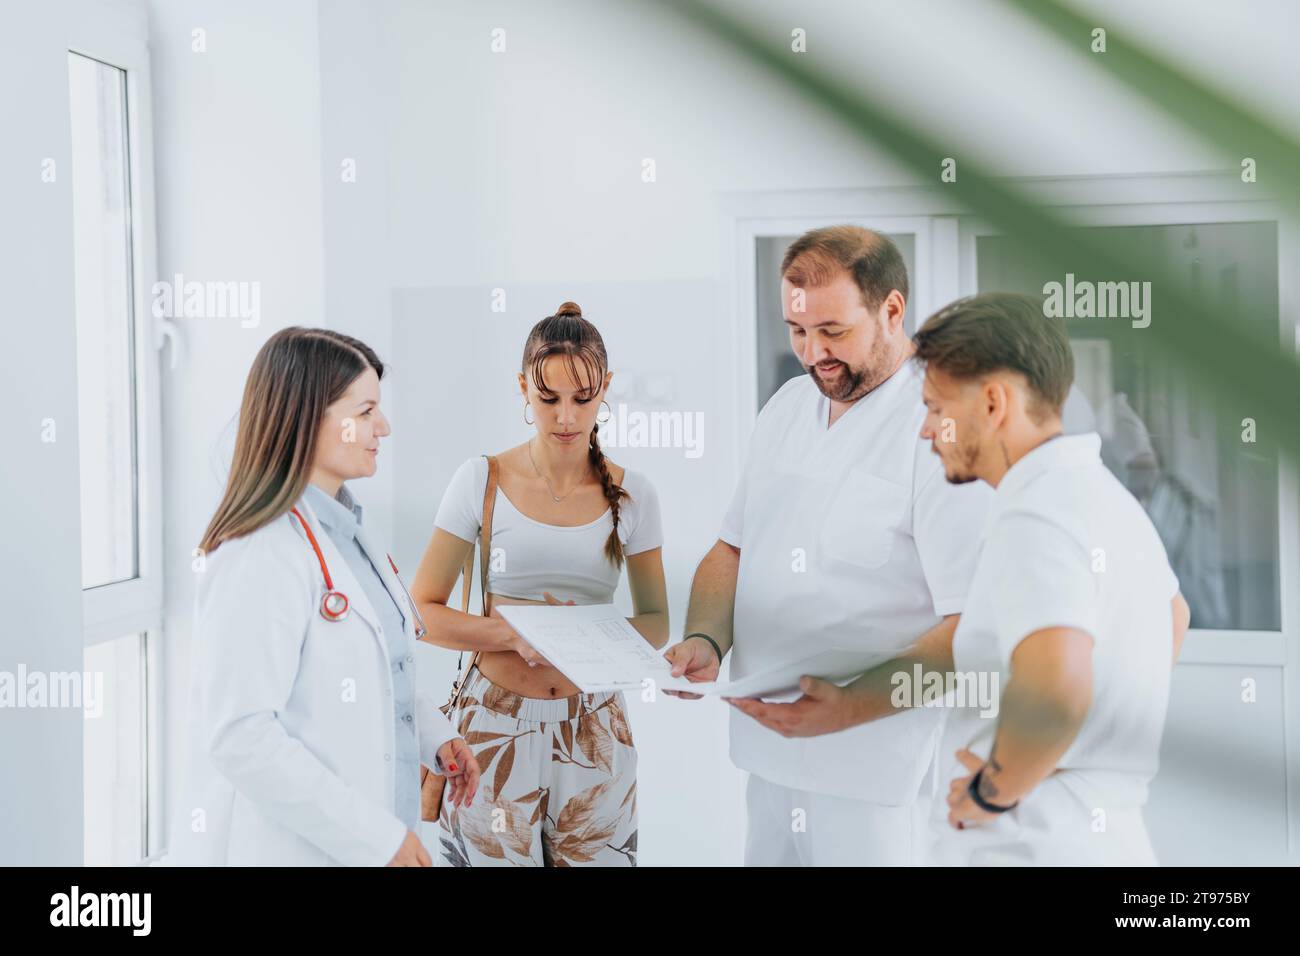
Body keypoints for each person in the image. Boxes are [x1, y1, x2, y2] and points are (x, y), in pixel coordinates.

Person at [665, 226, 992, 866]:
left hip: (876, 774)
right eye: (797, 330)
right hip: (771, 756)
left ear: (892, 311)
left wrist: (848, 707)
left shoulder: (939, 429)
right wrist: (705, 638)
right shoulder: (788, 406)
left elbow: (974, 628)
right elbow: (731, 549)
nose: (813, 353)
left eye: (833, 331)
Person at [170, 327, 479, 867]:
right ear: (310, 416)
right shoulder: (260, 550)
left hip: (375, 834)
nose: (382, 427)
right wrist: (376, 839)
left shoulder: (351, 533)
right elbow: (241, 736)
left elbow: (375, 672)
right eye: (364, 412)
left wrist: (435, 736)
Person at [910, 292, 1188, 864]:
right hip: (1097, 833)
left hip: (1031, 841)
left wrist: (993, 793)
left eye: (937, 409)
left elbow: (1057, 688)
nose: (926, 430)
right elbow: (1173, 617)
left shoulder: (1035, 511)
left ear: (992, 403)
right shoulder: (1102, 495)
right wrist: (1090, 735)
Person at [410, 302, 668, 867]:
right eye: (547, 398)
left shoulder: (633, 495)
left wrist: (582, 634)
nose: (566, 417)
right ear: (522, 388)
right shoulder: (481, 479)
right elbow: (421, 612)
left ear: (606, 390)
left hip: (596, 725)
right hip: (490, 727)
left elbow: (656, 623)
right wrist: (510, 635)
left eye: (583, 398)